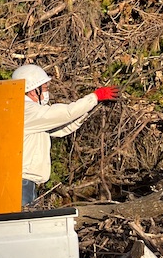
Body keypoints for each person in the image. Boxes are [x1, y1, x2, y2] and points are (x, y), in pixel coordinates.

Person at [10, 64, 119, 206]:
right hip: (21, 184)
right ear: (32, 91)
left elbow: (62, 129)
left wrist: (91, 109)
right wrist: (95, 97)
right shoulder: (27, 110)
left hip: (26, 184)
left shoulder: (31, 114)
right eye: (44, 88)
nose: (46, 92)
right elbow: (67, 113)